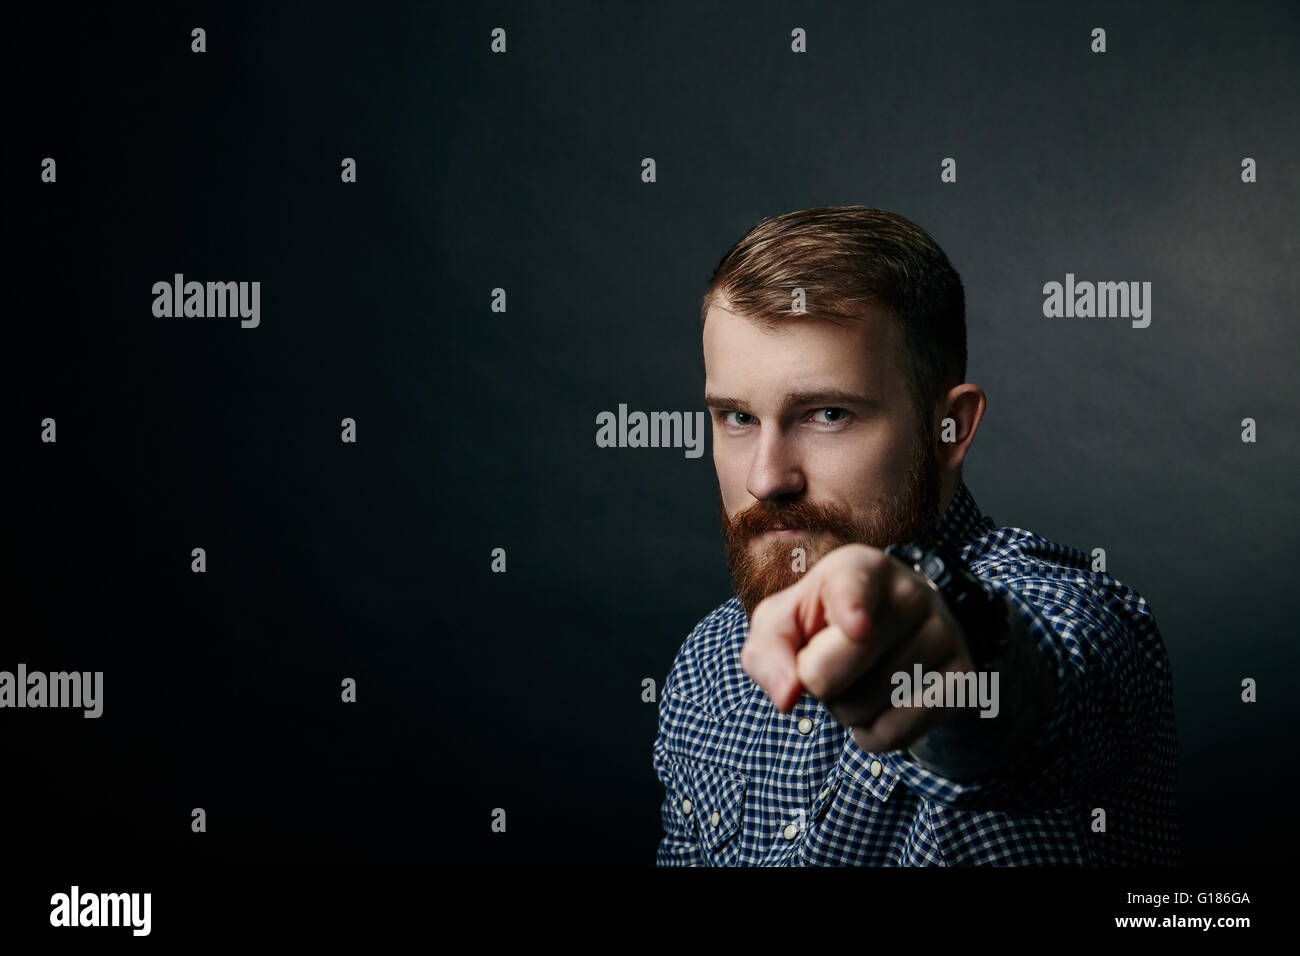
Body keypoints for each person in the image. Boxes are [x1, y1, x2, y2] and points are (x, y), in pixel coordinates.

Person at [653, 206, 1180, 865]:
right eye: (735, 417)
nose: (766, 478)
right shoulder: (706, 665)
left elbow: (1040, 692)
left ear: (951, 427)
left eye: (827, 413)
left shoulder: (1080, 613)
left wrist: (952, 649)